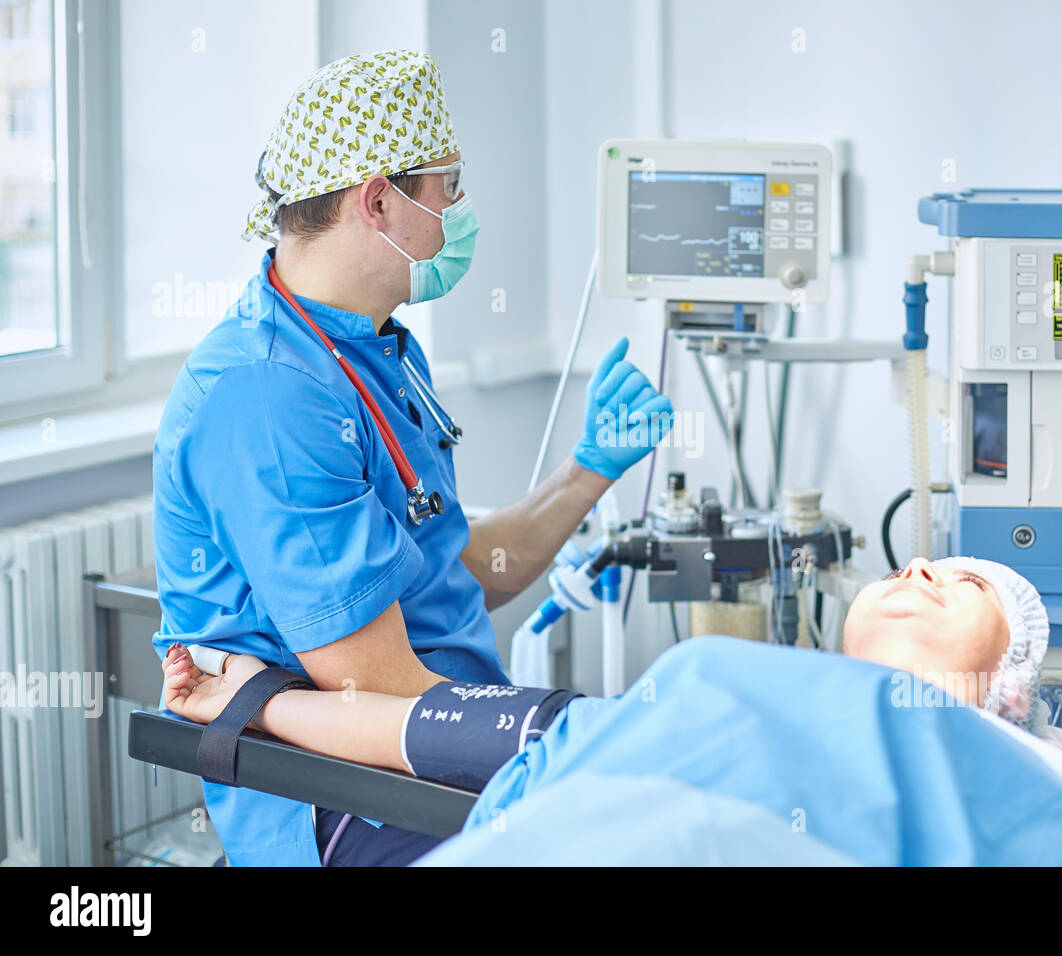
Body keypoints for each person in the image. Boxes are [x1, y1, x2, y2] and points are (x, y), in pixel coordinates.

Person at [150, 49, 672, 867]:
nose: (459, 207)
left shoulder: (375, 349)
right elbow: (374, 687)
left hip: (437, 742)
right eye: (448, 184)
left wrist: (588, 472)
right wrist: (551, 739)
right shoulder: (267, 395)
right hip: (350, 795)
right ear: (379, 200)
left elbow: (459, 568)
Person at [164, 556, 1062, 864]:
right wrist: (249, 699)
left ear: (1011, 680)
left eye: (971, 584)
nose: (925, 565)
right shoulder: (702, 690)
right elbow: (411, 725)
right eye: (916, 561)